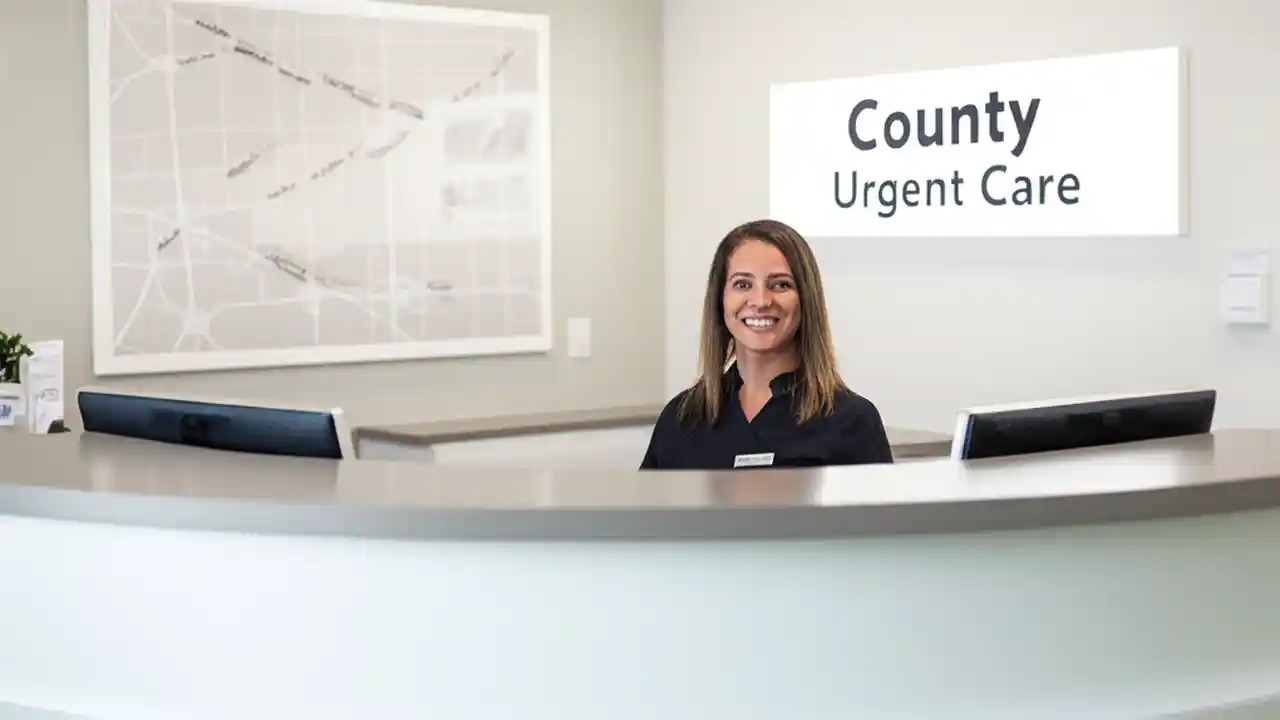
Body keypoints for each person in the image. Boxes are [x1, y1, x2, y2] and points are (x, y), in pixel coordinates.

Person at [640, 219, 892, 470]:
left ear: (806, 299)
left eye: (780, 285)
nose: (760, 301)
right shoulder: (682, 418)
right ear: (720, 300)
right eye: (743, 284)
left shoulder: (851, 420)